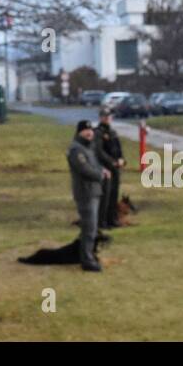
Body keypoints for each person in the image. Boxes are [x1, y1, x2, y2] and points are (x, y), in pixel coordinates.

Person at [67, 120, 108, 272]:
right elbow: (84, 169)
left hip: (93, 191)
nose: (89, 132)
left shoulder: (88, 147)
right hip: (85, 193)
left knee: (91, 227)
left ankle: (88, 254)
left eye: (90, 130)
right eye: (86, 130)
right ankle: (87, 260)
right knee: (89, 228)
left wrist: (102, 170)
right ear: (79, 132)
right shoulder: (76, 150)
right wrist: (100, 175)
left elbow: (95, 165)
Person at [95, 111, 126, 229]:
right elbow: (99, 151)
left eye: (109, 116)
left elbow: (118, 148)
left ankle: (112, 219)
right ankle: (102, 222)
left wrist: (121, 159)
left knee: (114, 194)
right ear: (101, 117)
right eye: (105, 116)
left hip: (116, 168)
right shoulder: (97, 133)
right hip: (105, 167)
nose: (107, 118)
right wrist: (111, 162)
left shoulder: (113, 132)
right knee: (105, 196)